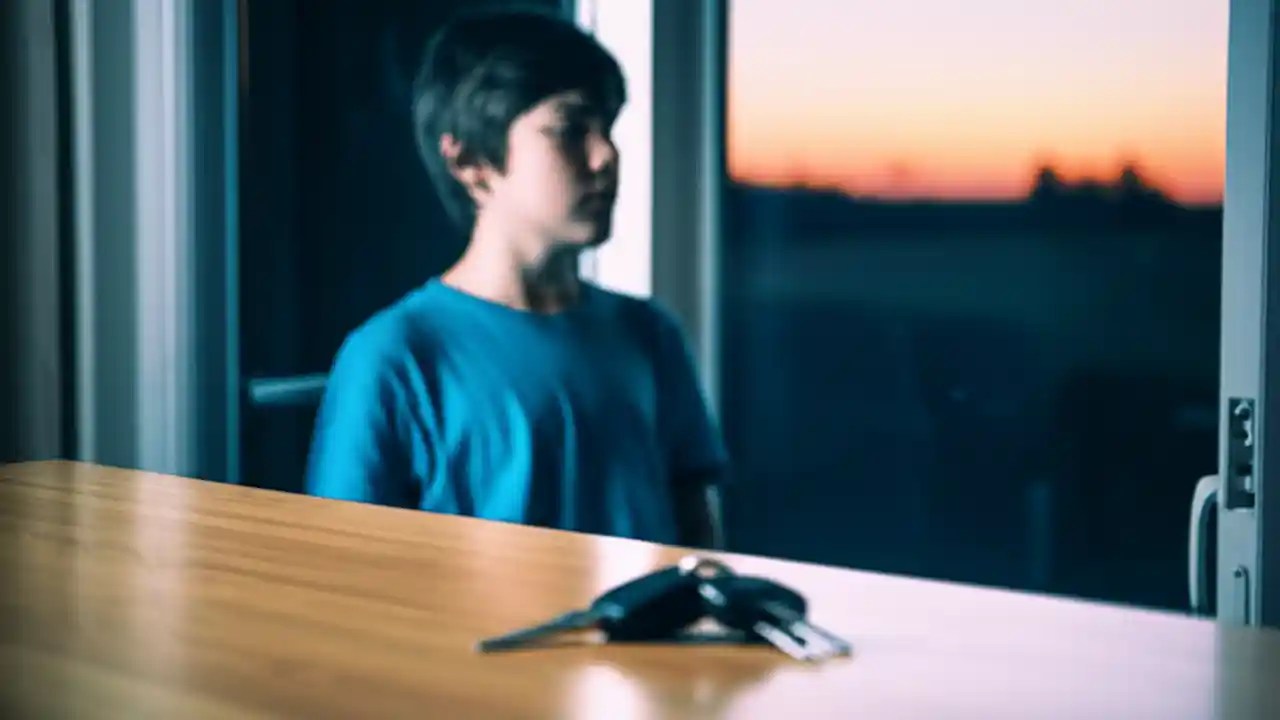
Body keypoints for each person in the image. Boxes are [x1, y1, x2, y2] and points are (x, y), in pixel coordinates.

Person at [304, 7, 728, 548]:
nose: (606, 156)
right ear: (470, 161)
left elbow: (698, 538)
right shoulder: (395, 357)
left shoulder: (649, 334)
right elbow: (345, 572)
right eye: (570, 130)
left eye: (608, 129)